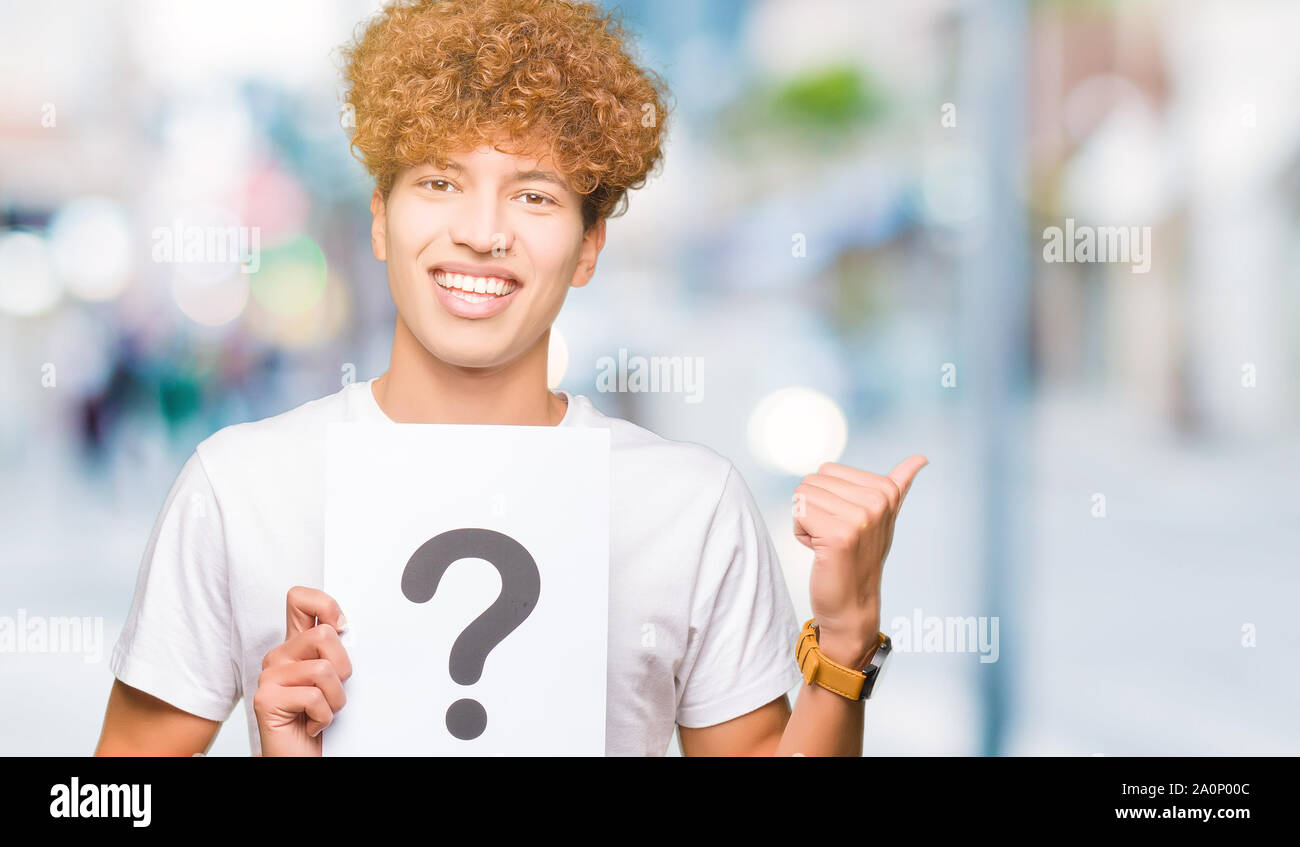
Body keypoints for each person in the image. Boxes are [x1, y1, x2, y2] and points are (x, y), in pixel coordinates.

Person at [94, 0, 926, 757]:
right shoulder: (241, 488)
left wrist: (845, 644)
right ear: (381, 217)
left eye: (534, 195)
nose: (482, 232)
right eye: (439, 182)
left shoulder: (689, 506)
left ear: (591, 245)